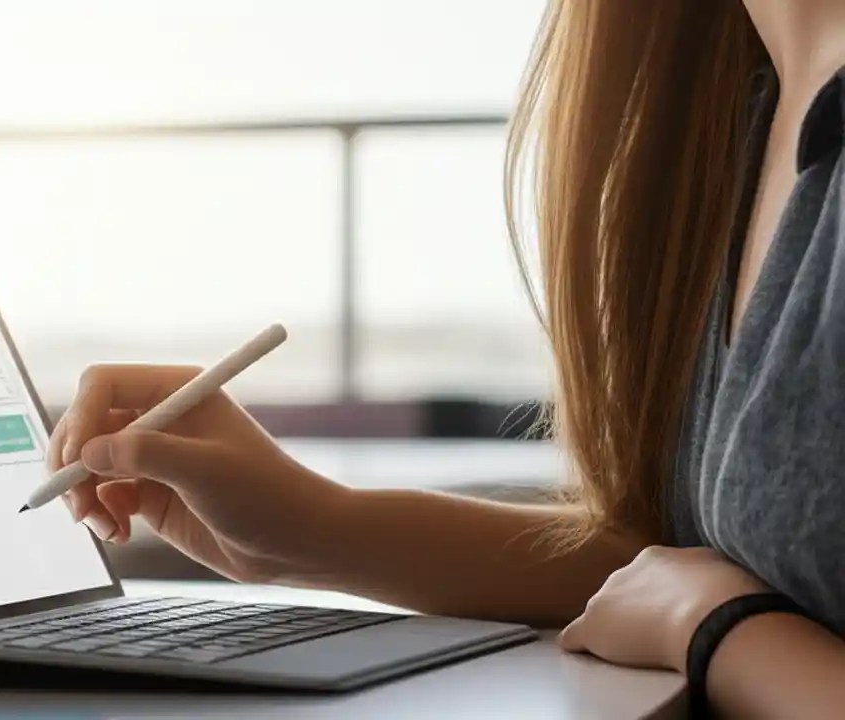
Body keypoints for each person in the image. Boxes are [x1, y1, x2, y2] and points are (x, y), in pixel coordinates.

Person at [49, 1, 845, 715]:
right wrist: (304, 528)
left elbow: (702, 595)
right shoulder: (741, 120)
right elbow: (672, 567)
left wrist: (716, 630)